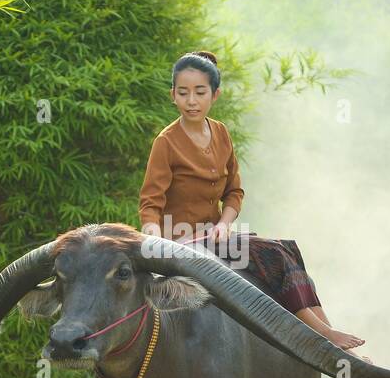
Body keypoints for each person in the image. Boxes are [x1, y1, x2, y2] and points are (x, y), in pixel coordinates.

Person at [138, 50, 367, 352]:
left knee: (288, 248)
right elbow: (150, 203)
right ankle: (324, 334)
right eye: (183, 93)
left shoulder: (221, 133)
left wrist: (223, 224)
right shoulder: (166, 142)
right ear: (173, 96)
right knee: (271, 252)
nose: (191, 100)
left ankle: (329, 334)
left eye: (199, 92)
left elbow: (234, 192)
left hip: (217, 238)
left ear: (214, 95)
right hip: (181, 242)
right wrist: (155, 239)